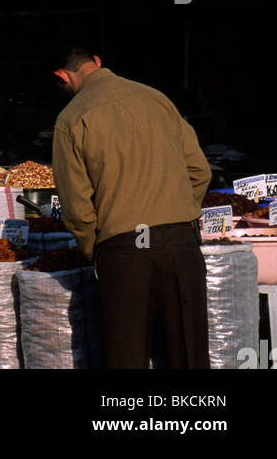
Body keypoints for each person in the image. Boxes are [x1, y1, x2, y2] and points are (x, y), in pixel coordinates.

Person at [51, 48, 212, 370]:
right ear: (97, 62)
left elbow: (77, 207)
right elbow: (200, 172)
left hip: (124, 250)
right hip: (181, 243)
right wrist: (176, 212)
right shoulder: (156, 98)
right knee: (188, 353)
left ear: (62, 77)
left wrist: (92, 249)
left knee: (126, 354)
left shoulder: (70, 118)